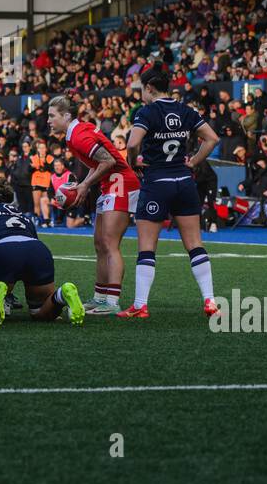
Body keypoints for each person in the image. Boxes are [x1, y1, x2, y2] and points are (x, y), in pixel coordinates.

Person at [121, 70, 221, 318]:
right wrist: (194, 161)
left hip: (157, 182)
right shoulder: (186, 110)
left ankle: (140, 305)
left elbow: (133, 144)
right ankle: (210, 301)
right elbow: (211, 138)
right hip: (184, 182)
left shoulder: (147, 112)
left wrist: (133, 162)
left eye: (142, 89)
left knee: (147, 246)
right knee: (195, 244)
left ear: (150, 88)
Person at [49, 94, 141, 316]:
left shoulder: (78, 136)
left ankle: (112, 301)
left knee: (110, 244)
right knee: (100, 244)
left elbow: (108, 160)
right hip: (109, 183)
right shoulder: (77, 131)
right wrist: (83, 184)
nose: (49, 121)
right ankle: (100, 296)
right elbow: (97, 161)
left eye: (52, 116)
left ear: (66, 116)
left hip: (121, 181)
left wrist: (85, 185)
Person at [0, 181, 84, 323]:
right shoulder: (22, 215)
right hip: (37, 250)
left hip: (3, 248)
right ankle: (61, 295)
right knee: (39, 311)